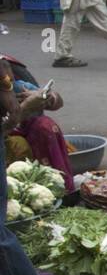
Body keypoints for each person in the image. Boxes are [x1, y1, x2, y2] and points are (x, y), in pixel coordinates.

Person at [0, 60, 83, 275]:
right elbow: (10, 120)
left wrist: (40, 98)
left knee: (3, 235)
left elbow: (43, 99)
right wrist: (19, 108)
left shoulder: (11, 73)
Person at [1, 56, 75, 195]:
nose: (9, 87)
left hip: (24, 130)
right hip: (6, 136)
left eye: (11, 82)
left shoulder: (18, 87)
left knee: (45, 125)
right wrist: (25, 108)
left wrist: (48, 97)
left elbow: (58, 101)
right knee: (18, 144)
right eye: (5, 85)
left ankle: (63, 187)